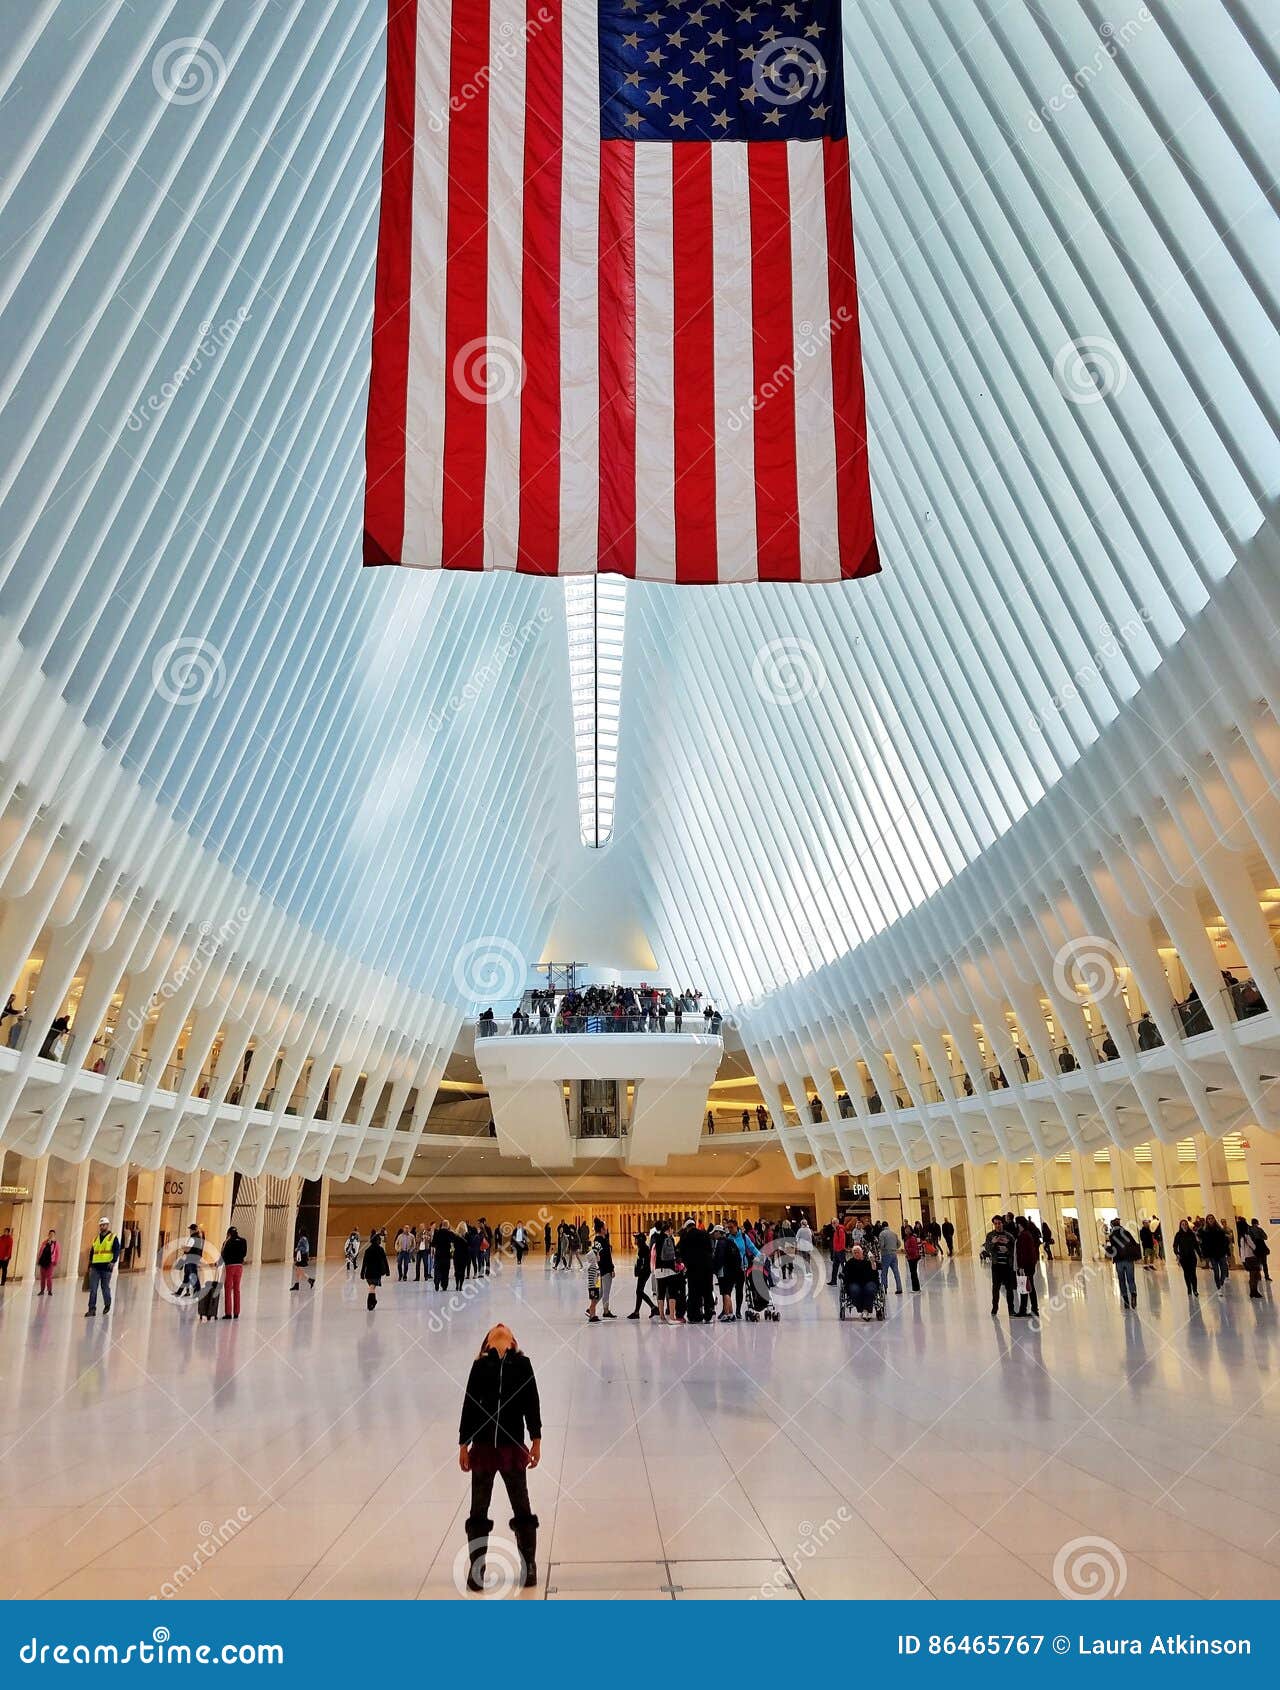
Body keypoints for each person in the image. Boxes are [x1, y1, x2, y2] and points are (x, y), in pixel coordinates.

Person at [458, 1323, 542, 1592]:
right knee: (478, 1510)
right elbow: (470, 1403)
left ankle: (529, 1565)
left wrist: (536, 1439)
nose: (500, 1325)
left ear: (514, 1342)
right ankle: (477, 1568)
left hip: (512, 1447)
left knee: (522, 1507)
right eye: (496, 1328)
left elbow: (532, 1402)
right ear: (487, 1344)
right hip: (483, 1448)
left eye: (504, 1328)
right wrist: (463, 1443)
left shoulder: (522, 1365)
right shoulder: (480, 1366)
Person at [85, 1217, 120, 1316]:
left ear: (107, 1225)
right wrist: (90, 1265)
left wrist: (113, 1261)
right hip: (95, 1267)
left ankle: (107, 1304)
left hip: (106, 1267)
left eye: (103, 1225)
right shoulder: (96, 1238)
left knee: (105, 1287)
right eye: (100, 1225)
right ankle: (92, 1309)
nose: (102, 1227)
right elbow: (92, 1252)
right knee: (93, 1289)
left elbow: (116, 1250)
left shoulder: (113, 1237)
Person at [651, 1220, 683, 1323]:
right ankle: (672, 1317)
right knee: (672, 1293)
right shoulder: (670, 1239)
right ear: (669, 1229)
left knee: (661, 1293)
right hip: (669, 1269)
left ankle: (662, 1317)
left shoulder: (657, 1238)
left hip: (658, 1270)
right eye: (672, 1229)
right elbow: (673, 1255)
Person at [1105, 1217, 1141, 1309]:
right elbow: (1134, 1244)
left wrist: (1106, 1248)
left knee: (1122, 1280)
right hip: (1129, 1259)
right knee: (1131, 1280)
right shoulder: (1126, 1233)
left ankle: (1126, 1301)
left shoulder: (1112, 1236)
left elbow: (1112, 1249)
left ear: (1112, 1226)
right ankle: (1133, 1294)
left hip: (1119, 1260)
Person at [985, 1217, 1017, 1318]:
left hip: (1007, 1265)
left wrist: (1007, 1249)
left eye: (999, 1223)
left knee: (1009, 1288)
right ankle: (995, 1308)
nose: (998, 1225)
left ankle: (1011, 1309)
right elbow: (987, 1249)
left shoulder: (1009, 1236)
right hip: (996, 1265)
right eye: (995, 1224)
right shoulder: (990, 1235)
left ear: (1002, 1223)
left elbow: (1015, 1250)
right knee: (996, 1288)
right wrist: (993, 1242)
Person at [840, 1246, 879, 1320]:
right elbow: (845, 1273)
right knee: (855, 1290)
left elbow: (875, 1272)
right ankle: (861, 1309)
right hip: (854, 1282)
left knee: (870, 1290)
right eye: (855, 1253)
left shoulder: (868, 1261)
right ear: (852, 1254)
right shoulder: (850, 1263)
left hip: (869, 1281)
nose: (856, 1254)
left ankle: (867, 1310)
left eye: (858, 1252)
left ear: (862, 1253)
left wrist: (873, 1262)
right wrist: (843, 1276)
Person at [628, 1230, 658, 1319]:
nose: (635, 1240)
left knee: (639, 1291)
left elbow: (642, 1263)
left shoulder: (643, 1248)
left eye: (636, 1239)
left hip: (644, 1272)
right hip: (644, 1272)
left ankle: (652, 1307)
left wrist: (638, 1271)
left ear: (640, 1240)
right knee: (639, 1291)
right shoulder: (642, 1248)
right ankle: (638, 1311)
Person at [1014, 1218, 1040, 1317]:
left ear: (1019, 1224)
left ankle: (1024, 1310)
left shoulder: (1024, 1235)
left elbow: (1023, 1253)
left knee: (1025, 1287)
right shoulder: (1026, 1234)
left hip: (1025, 1267)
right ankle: (1032, 1309)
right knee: (1028, 1287)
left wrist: (1021, 1266)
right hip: (1028, 1266)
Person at [219, 1225, 247, 1319]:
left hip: (229, 1267)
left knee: (228, 1289)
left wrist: (218, 1264)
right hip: (239, 1267)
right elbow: (244, 1254)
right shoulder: (243, 1241)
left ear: (229, 1234)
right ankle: (236, 1312)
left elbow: (223, 1254)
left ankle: (228, 1313)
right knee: (237, 1289)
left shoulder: (227, 1242)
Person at [1200, 1213, 1230, 1291]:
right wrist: (1205, 1256)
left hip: (1221, 1253)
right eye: (1209, 1219)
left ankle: (1221, 1282)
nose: (1210, 1220)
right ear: (1207, 1220)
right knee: (1216, 1271)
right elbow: (1204, 1244)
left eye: (1212, 1218)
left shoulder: (1219, 1230)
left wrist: (1227, 1252)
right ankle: (1218, 1287)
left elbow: (1225, 1242)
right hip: (1212, 1255)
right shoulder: (1205, 1231)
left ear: (1214, 1219)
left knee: (1224, 1270)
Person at [360, 1228, 389, 1311]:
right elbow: (385, 1260)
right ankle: (370, 1303)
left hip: (368, 1273)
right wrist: (387, 1271)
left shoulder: (367, 1250)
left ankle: (373, 1301)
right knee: (372, 1287)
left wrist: (362, 1273)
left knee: (371, 1287)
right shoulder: (380, 1249)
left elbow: (364, 1263)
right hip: (376, 1272)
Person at [592, 1219, 615, 1318]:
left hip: (600, 1268)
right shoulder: (602, 1241)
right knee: (606, 1292)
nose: (606, 1229)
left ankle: (591, 1308)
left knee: (601, 1292)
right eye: (605, 1228)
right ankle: (606, 1311)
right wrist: (611, 1269)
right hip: (606, 1268)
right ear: (601, 1229)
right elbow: (607, 1257)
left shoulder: (596, 1240)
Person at [1172, 1218, 1199, 1298]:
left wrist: (1200, 1255)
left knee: (1193, 1273)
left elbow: (1196, 1245)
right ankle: (1189, 1288)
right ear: (1180, 1226)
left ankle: (1195, 1289)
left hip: (1192, 1257)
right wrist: (1177, 1253)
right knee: (1186, 1273)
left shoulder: (1191, 1234)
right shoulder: (1178, 1235)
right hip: (1183, 1257)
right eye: (1183, 1224)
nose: (1184, 1226)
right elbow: (1175, 1245)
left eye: (1186, 1224)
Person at [876, 1222, 903, 1296]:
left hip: (886, 1255)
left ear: (882, 1227)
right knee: (896, 1272)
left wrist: (881, 1248)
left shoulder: (882, 1234)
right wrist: (894, 1248)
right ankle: (899, 1288)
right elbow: (899, 1244)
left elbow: (881, 1245)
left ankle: (884, 1288)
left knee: (884, 1272)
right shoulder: (894, 1233)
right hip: (894, 1254)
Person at [179, 1223, 204, 1297]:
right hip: (195, 1258)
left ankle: (198, 1291)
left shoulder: (193, 1238)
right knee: (187, 1275)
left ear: (192, 1230)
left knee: (192, 1275)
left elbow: (188, 1249)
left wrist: (183, 1247)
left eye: (190, 1230)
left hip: (191, 1258)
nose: (190, 1231)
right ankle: (186, 1292)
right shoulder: (199, 1238)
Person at [1240, 1226, 1264, 1299]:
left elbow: (1242, 1250)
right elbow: (1253, 1247)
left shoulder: (1242, 1238)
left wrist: (1243, 1260)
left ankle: (1253, 1291)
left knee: (1252, 1276)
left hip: (1248, 1259)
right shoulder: (1247, 1237)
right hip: (1252, 1258)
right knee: (1255, 1275)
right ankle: (1254, 1291)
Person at [36, 1229, 59, 1295]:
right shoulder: (44, 1242)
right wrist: (38, 1259)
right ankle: (42, 1290)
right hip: (43, 1261)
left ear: (54, 1235)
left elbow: (57, 1253)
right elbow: (41, 1251)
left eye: (53, 1234)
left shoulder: (56, 1244)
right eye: (50, 1234)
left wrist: (56, 1261)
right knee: (42, 1276)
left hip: (50, 1262)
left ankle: (49, 1290)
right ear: (48, 1235)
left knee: (49, 1276)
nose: (51, 1235)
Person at [1249, 1219, 1271, 1283]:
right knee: (1264, 1263)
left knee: (1257, 1263)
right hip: (1262, 1247)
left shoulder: (1249, 1230)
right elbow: (1265, 1237)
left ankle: (1258, 1277)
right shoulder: (1259, 1229)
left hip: (1255, 1248)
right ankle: (1266, 1276)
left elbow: (1250, 1239)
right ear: (1256, 1223)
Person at [903, 1226, 923, 1292]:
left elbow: (913, 1249)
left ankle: (916, 1288)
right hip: (910, 1257)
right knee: (913, 1273)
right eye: (905, 1229)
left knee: (913, 1273)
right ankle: (915, 1288)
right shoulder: (907, 1238)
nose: (906, 1231)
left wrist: (907, 1250)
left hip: (913, 1257)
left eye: (908, 1229)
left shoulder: (912, 1238)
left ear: (910, 1230)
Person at [828, 1218, 847, 1286]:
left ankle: (846, 1281)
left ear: (837, 1223)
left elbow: (842, 1241)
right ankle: (833, 1281)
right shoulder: (836, 1230)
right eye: (832, 1223)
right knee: (835, 1266)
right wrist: (835, 1250)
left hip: (840, 1251)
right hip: (836, 1251)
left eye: (834, 1223)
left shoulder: (840, 1230)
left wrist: (838, 1250)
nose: (833, 1224)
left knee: (844, 1267)